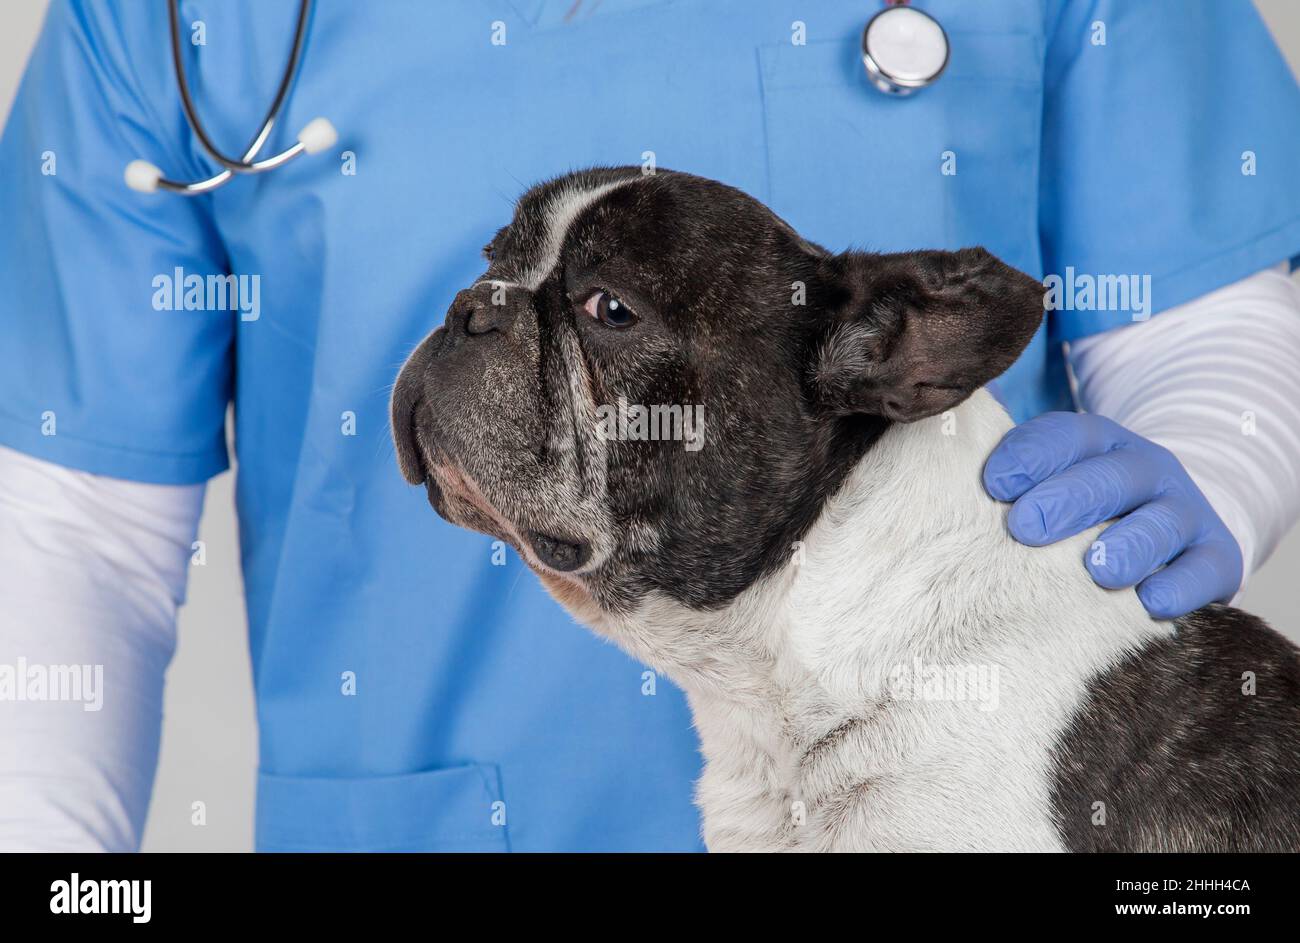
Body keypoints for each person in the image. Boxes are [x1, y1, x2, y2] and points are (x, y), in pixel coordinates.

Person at [1, 0, 1298, 852]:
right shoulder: (161, 25)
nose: (484, 322)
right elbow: (71, 522)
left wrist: (1214, 464)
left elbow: (1204, 312)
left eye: (604, 309)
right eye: (495, 284)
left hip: (972, 757)